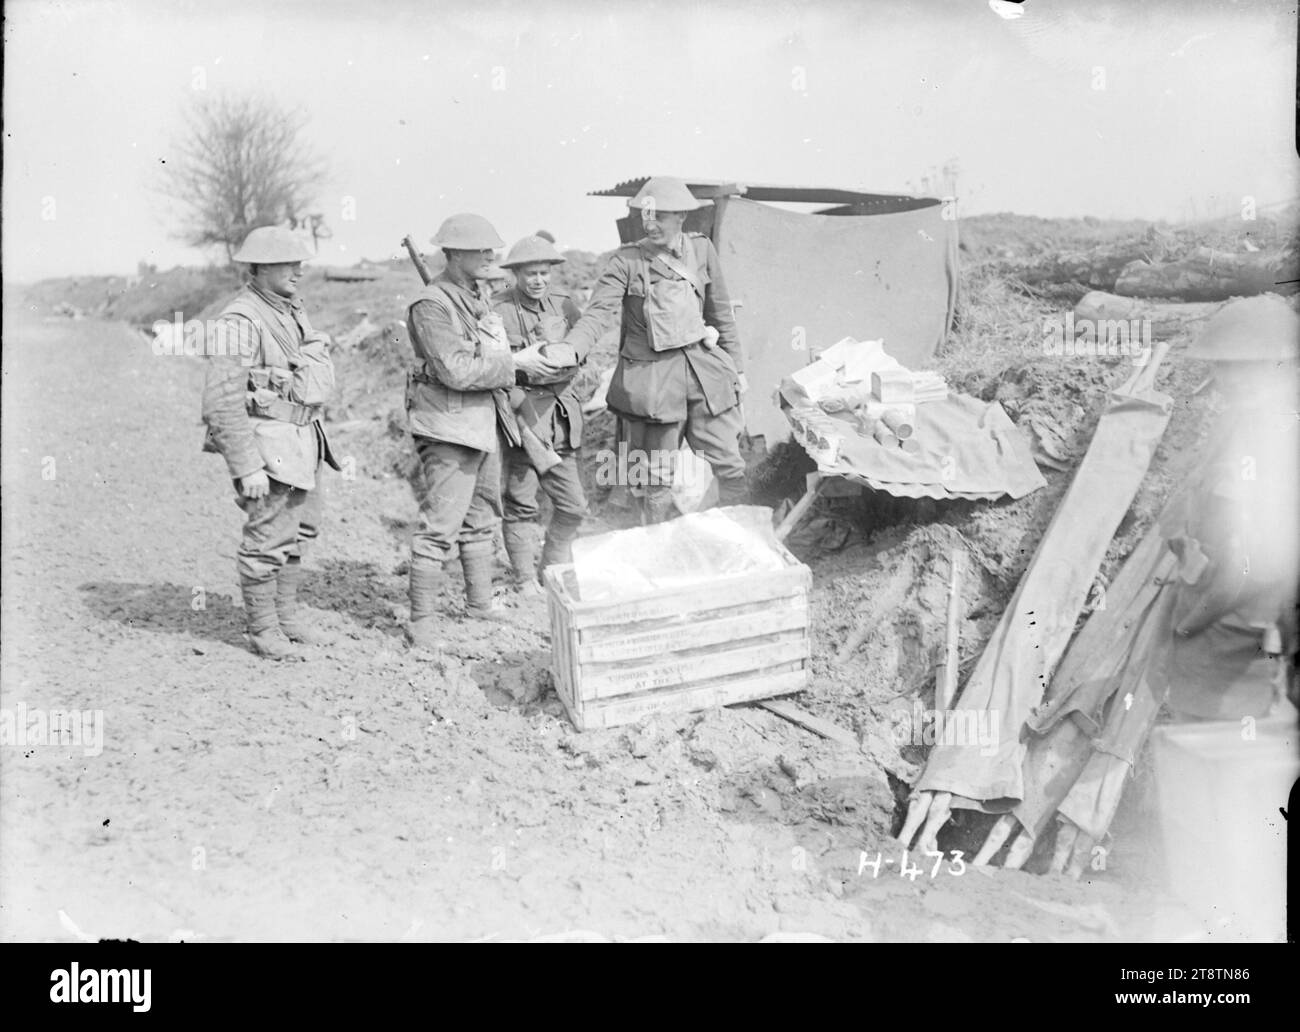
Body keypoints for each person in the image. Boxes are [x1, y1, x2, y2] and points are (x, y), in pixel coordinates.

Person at [404, 214, 558, 647]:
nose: (490, 256)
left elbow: (482, 361)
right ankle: (423, 624)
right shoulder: (432, 305)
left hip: (483, 421)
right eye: (480, 250)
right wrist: (516, 363)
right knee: (440, 527)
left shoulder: (475, 300)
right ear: (453, 255)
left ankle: (479, 605)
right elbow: (454, 370)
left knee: (481, 519)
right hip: (448, 426)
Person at [561, 175, 750, 524]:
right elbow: (598, 314)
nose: (651, 223)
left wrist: (737, 368)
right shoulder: (626, 262)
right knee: (655, 475)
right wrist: (572, 350)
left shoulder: (701, 249)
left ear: (681, 216)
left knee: (729, 462)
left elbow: (720, 313)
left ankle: (735, 537)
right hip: (653, 380)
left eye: (660, 216)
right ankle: (657, 545)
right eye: (647, 216)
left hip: (701, 372)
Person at [1154, 295, 1299, 720]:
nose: (1223, 378)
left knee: (1216, 756)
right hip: (1227, 611)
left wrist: (1191, 622)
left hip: (1237, 627)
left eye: (1237, 367)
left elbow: (1256, 565)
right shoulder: (1245, 420)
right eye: (1221, 366)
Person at [201, 226, 340, 659]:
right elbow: (221, 402)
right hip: (267, 448)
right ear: (259, 268)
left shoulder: (290, 310)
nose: (298, 271)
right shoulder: (240, 319)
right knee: (266, 540)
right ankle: (264, 631)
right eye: (287, 263)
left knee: (297, 534)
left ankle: (287, 619)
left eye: (300, 263)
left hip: (301, 440)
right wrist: (246, 466)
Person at [493, 235, 588, 585]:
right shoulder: (499, 309)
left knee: (574, 506)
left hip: (562, 419)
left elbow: (584, 349)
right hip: (523, 419)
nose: (538, 280)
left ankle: (552, 572)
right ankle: (523, 580)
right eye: (530, 273)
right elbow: (490, 364)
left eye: (544, 273)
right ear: (516, 274)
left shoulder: (564, 305)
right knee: (521, 506)